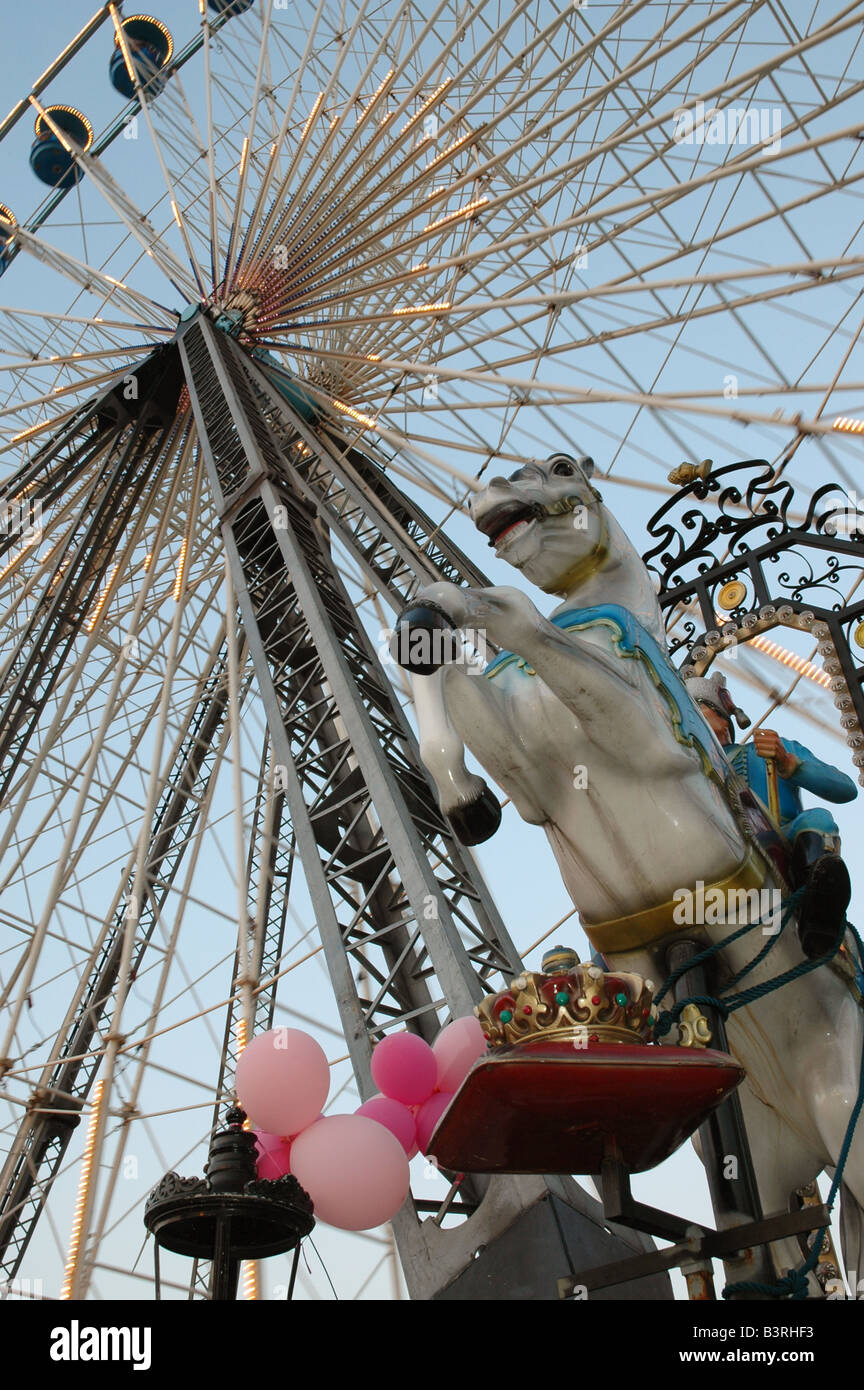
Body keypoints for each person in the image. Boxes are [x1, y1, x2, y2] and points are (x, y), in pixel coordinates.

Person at [687, 671, 857, 959]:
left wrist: (789, 763)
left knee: (817, 820)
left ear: (724, 719)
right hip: (711, 853)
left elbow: (844, 789)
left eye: (706, 714)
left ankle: (815, 914)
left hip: (781, 841)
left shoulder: (765, 752)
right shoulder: (685, 774)